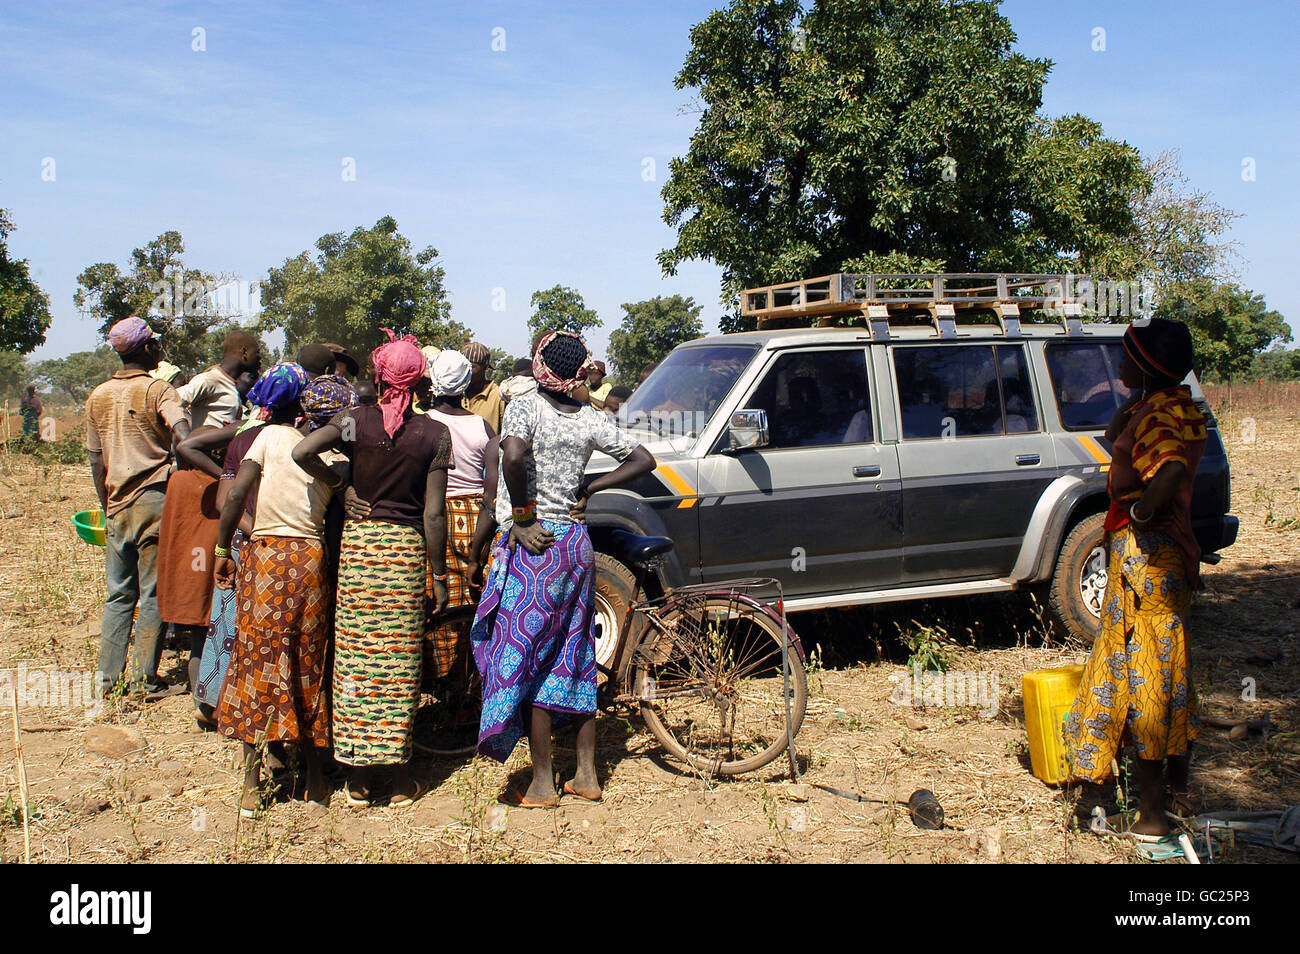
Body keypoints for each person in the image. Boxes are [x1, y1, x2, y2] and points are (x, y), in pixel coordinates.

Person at [471, 331, 654, 806]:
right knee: (576, 654)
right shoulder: (590, 417)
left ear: (539, 364)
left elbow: (511, 455)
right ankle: (588, 776)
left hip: (537, 547)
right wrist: (591, 490)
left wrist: (525, 517)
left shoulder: (526, 407)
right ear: (576, 372)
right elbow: (643, 459)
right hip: (576, 544)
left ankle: (543, 782)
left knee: (531, 660)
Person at [293, 330, 451, 808]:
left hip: (360, 553)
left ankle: (357, 779)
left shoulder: (352, 421)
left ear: (380, 376)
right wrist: (439, 575)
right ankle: (395, 777)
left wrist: (342, 487)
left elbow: (302, 453)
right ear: (420, 381)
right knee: (398, 663)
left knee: (357, 659)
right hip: (403, 554)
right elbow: (434, 514)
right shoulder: (434, 434)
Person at [1064, 318, 1207, 839]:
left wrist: (1142, 513)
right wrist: (1133, 400)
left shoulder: (1154, 421)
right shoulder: (1172, 408)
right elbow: (1115, 437)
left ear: (1145, 366)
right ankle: (1169, 792)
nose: (1118, 364)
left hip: (1147, 561)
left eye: (1126, 358)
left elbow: (1167, 470)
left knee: (1146, 676)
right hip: (1163, 561)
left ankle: (1149, 815)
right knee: (1157, 671)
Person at [212, 364, 346, 814]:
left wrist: (221, 552)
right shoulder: (339, 461)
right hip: (308, 563)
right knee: (306, 663)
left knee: (256, 661)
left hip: (265, 557)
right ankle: (314, 781)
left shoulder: (267, 438)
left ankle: (251, 785)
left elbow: (234, 497)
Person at [86, 316, 191, 695]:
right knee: (153, 592)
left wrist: (108, 504)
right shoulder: (158, 390)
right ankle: (145, 679)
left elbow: (97, 460)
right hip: (154, 498)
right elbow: (182, 435)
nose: (159, 350)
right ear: (146, 349)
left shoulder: (98, 395)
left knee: (118, 593)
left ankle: (107, 680)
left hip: (116, 501)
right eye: (155, 345)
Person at [158, 424, 224, 708]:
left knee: (198, 639)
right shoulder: (217, 484)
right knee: (210, 638)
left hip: (186, 570)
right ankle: (205, 703)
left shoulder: (177, 480)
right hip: (212, 571)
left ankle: (201, 702)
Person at [175, 330, 262, 428]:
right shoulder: (210, 380)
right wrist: (186, 434)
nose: (259, 358)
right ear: (244, 352)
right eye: (257, 352)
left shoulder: (231, 385)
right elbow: (170, 402)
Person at [461, 341, 504, 434]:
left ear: (484, 367)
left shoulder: (498, 396)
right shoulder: (456, 393)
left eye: (471, 367)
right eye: (463, 367)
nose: (466, 372)